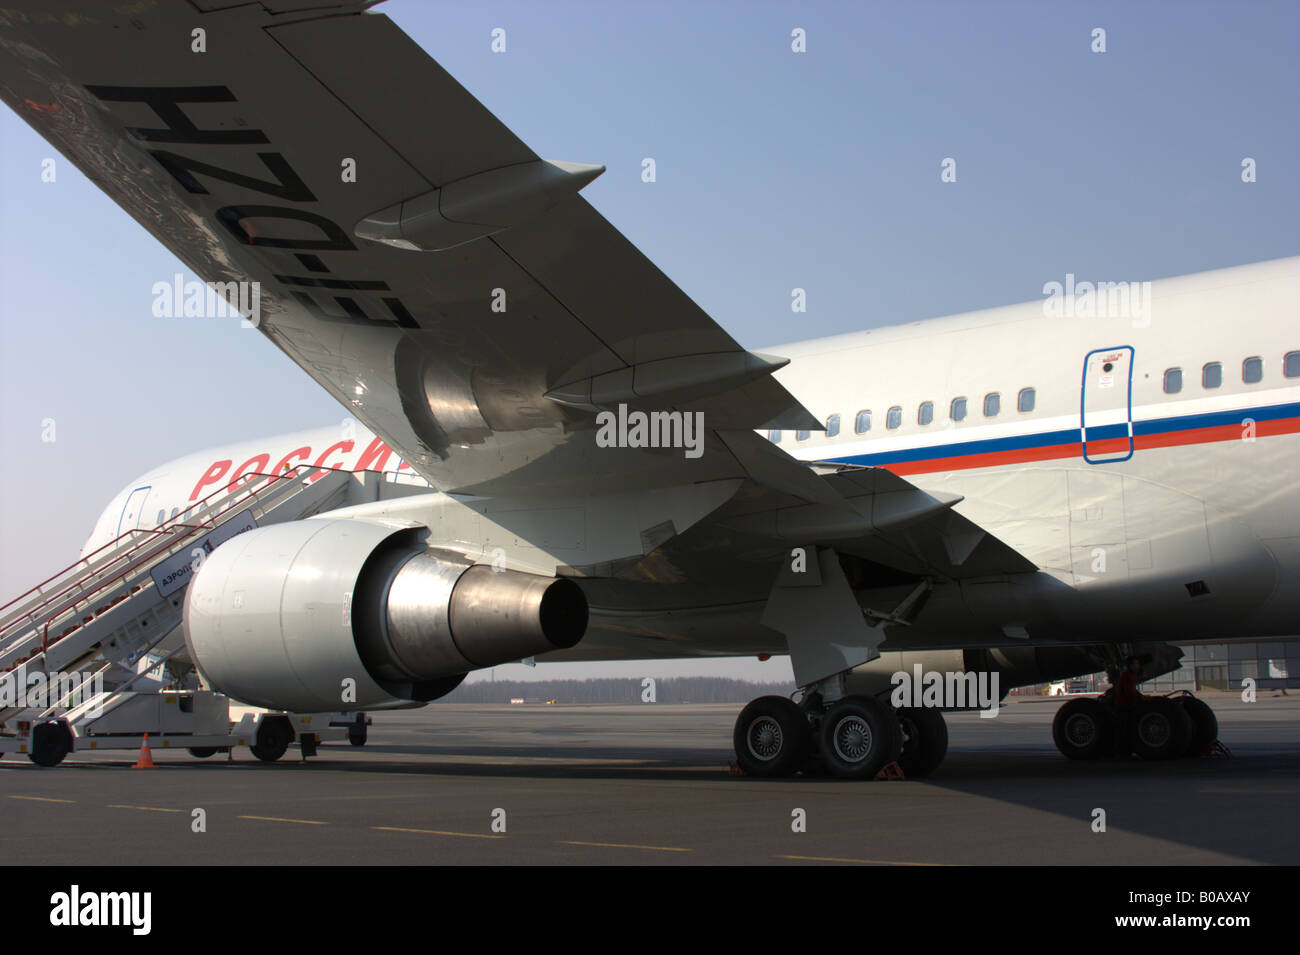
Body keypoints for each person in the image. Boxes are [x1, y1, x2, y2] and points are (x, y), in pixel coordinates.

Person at [1112, 655, 1144, 757]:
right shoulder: (1128, 676)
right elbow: (1129, 692)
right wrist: (1141, 698)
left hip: (1125, 706)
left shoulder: (1129, 675)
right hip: (1124, 707)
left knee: (1125, 728)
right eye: (1136, 664)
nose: (1138, 666)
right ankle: (1123, 752)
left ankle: (1123, 751)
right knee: (1125, 729)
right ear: (1130, 666)